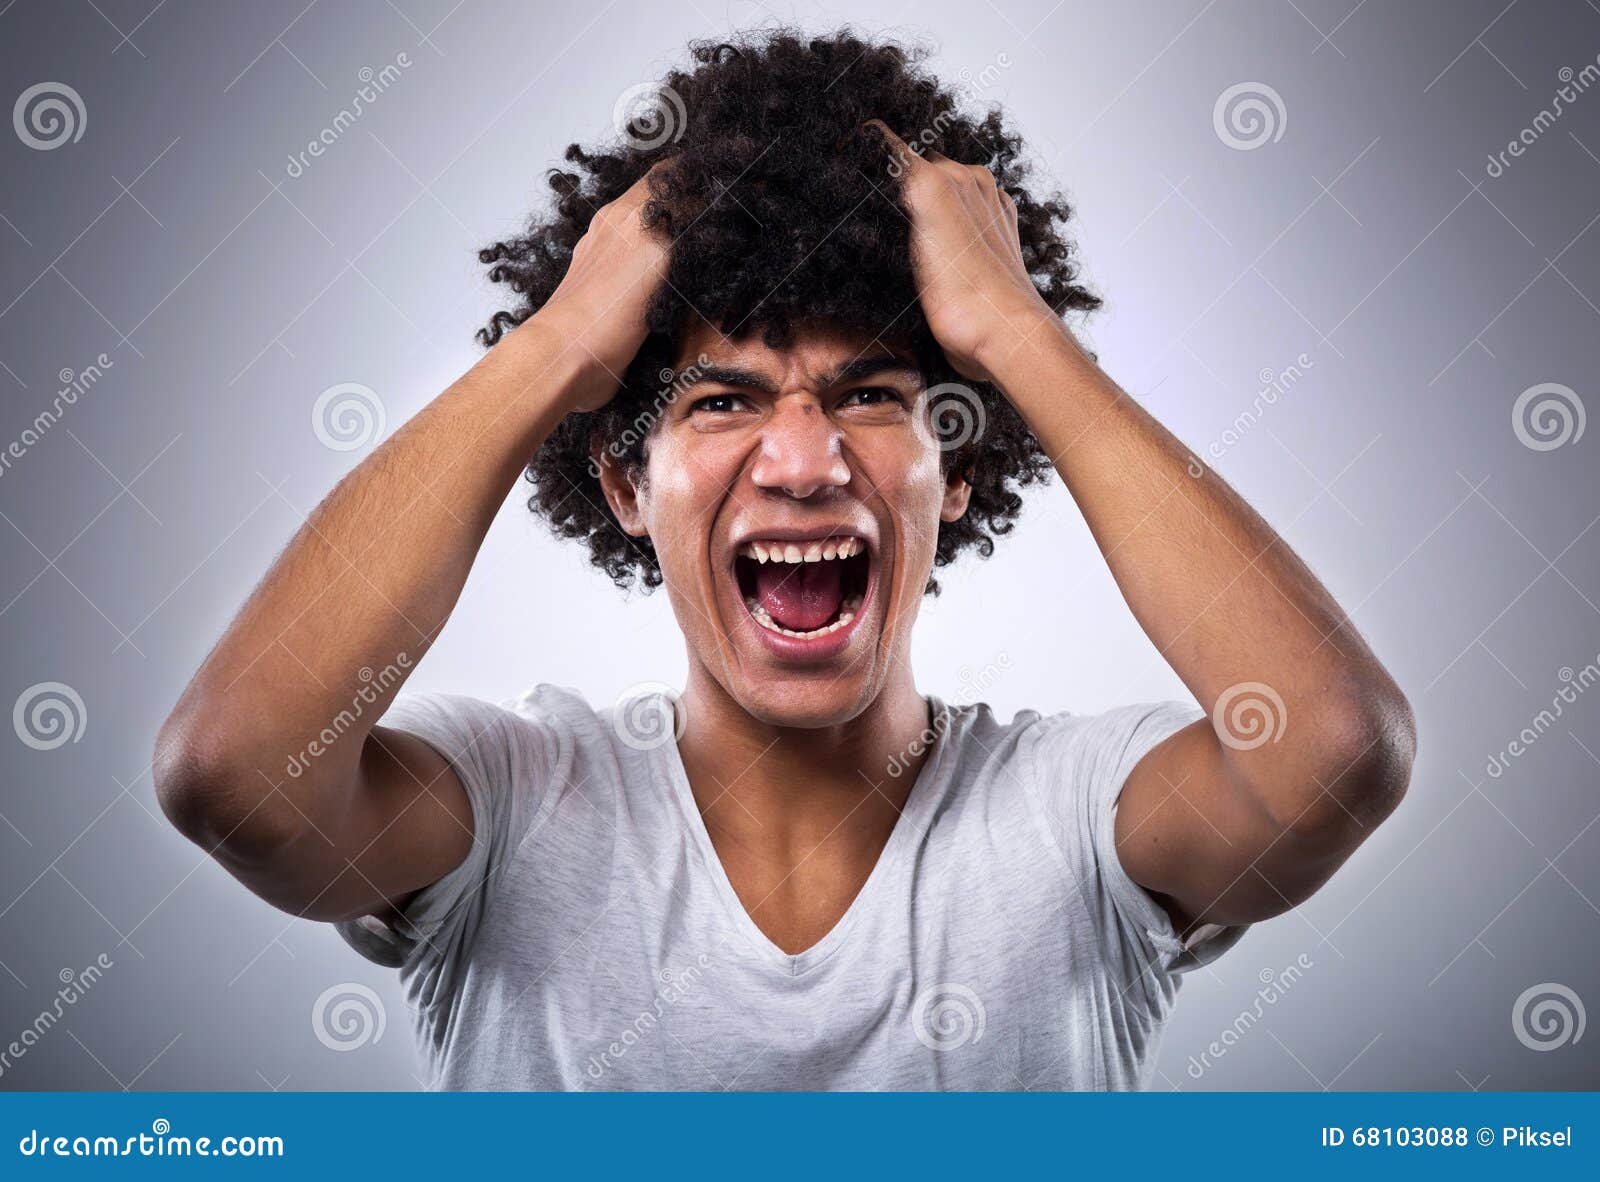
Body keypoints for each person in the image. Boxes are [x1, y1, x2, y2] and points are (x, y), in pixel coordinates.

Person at [153, 30, 1415, 1090]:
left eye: (869, 394)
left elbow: (1332, 755)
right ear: (619, 483)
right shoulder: (513, 805)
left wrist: (1012, 330)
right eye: (720, 402)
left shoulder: (1075, 815)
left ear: (962, 469)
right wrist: (559, 349)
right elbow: (234, 773)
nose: (803, 460)